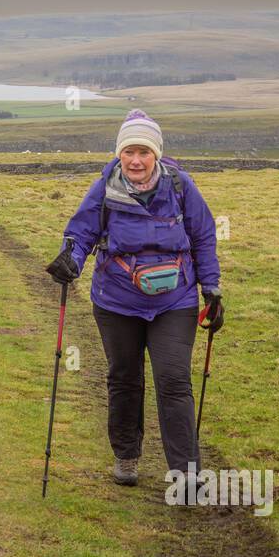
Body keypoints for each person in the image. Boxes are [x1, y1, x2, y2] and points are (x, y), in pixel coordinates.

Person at [45, 110, 223, 488]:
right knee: (124, 378)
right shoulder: (104, 187)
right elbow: (80, 233)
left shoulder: (179, 186)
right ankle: (126, 456)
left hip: (174, 301)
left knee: (174, 380)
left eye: (144, 151)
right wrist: (70, 262)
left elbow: (204, 236)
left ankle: (187, 476)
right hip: (116, 302)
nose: (136, 160)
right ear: (119, 154)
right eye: (129, 152)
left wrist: (212, 287)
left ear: (156, 154)